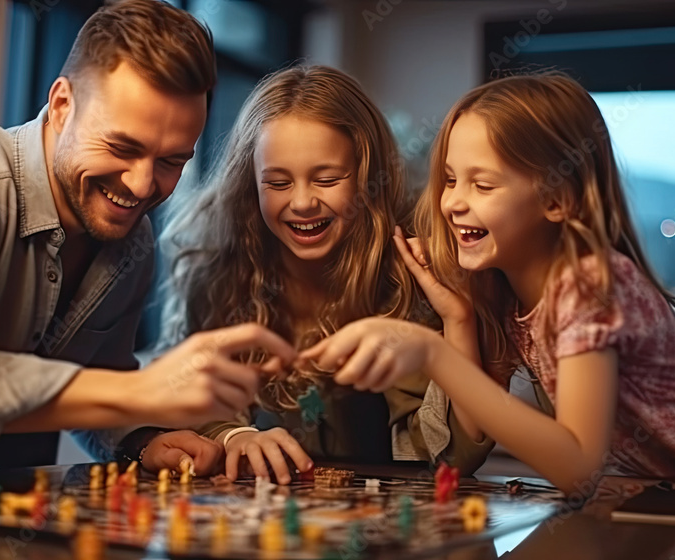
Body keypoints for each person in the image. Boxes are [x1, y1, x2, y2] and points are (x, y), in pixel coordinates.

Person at [299, 71, 675, 516]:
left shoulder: (588, 282)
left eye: (483, 185)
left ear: (557, 200)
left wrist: (432, 353)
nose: (453, 202)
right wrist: (456, 319)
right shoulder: (501, 291)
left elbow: (577, 466)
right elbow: (467, 442)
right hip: (670, 501)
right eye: (451, 179)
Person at [0, 0, 295, 474]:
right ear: (62, 105)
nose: (142, 186)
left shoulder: (133, 243)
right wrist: (136, 393)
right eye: (122, 147)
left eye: (171, 161)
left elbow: (94, 390)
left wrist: (143, 442)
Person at [148, 65, 494, 484]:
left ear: (367, 176)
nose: (303, 202)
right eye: (277, 183)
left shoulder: (414, 276)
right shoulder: (220, 273)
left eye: (327, 179)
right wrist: (233, 434)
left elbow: (454, 457)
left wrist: (459, 323)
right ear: (250, 185)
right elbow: (185, 405)